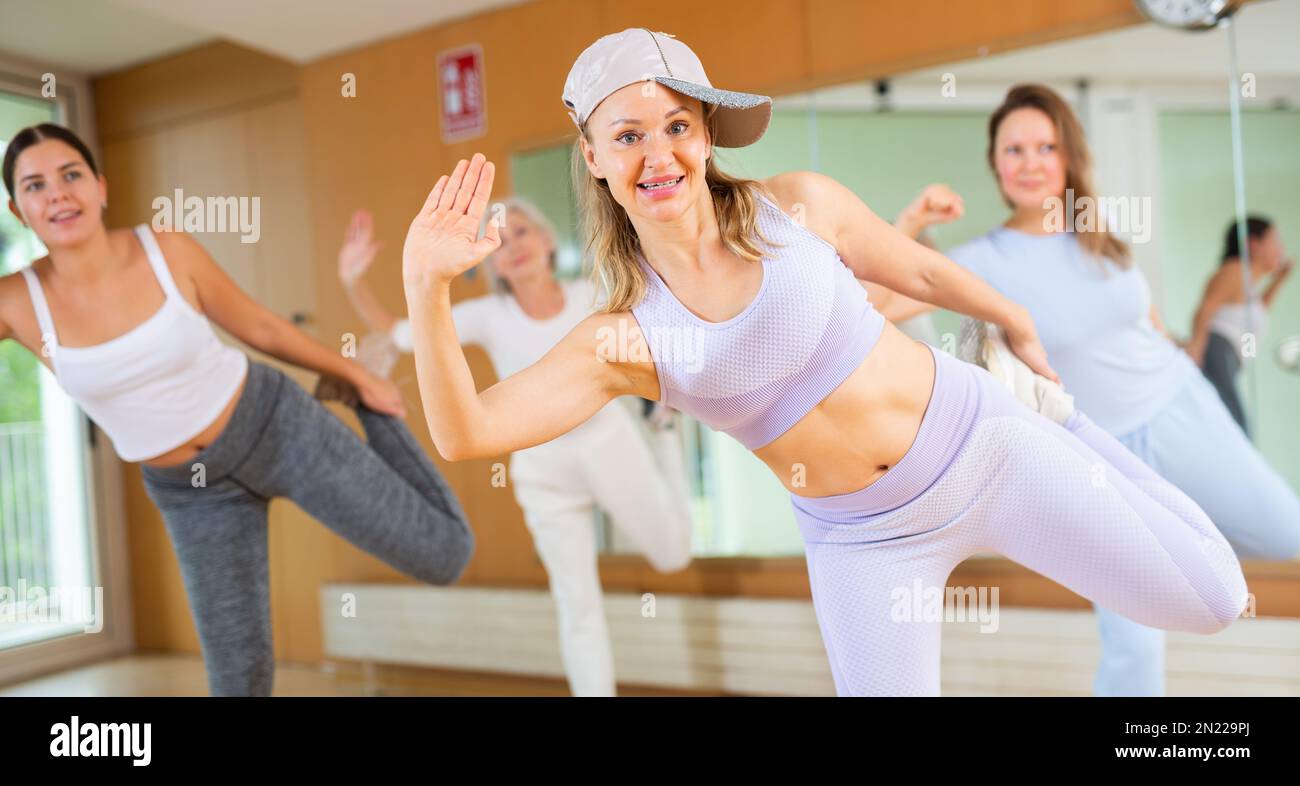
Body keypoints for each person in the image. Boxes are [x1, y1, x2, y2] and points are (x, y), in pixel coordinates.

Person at [397, 29, 1248, 696]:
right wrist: (426, 289)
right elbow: (468, 432)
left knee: (1209, 603)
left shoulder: (793, 206)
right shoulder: (623, 336)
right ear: (593, 157)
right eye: (628, 135)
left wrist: (1010, 315)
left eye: (678, 126)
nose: (659, 155)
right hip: (865, 541)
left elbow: (906, 265)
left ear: (705, 134)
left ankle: (1070, 425)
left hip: (987, 445)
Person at [0, 123, 474, 697]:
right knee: (239, 679)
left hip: (275, 424)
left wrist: (353, 374)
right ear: (17, 210)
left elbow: (258, 326)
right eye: (35, 185)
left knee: (443, 556)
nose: (57, 193)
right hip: (191, 492)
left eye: (70, 175)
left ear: (100, 187)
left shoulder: (165, 248)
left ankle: (370, 405)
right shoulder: (15, 301)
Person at [901, 84, 1300, 695]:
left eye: (1045, 146)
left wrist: (1191, 372)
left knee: (1288, 534)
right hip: (1098, 458)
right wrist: (914, 224)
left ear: (1067, 158)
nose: (1030, 162)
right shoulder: (978, 261)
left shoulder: (1099, 236)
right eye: (1014, 149)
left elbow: (1150, 323)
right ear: (995, 163)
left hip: (1180, 412)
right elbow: (881, 292)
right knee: (1134, 639)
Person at [336, 203, 694, 696]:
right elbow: (405, 332)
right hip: (541, 468)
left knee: (672, 556)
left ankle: (666, 435)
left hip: (609, 443)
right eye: (499, 243)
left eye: (521, 232)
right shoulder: (487, 315)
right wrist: (354, 281)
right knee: (577, 605)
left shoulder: (594, 294)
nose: (514, 246)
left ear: (548, 242)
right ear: (490, 265)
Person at [1187, 215, 1293, 433]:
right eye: (1275, 241)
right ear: (1253, 244)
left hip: (1226, 357)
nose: (1281, 249)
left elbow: (1256, 311)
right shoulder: (1234, 271)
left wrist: (1279, 280)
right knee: (1238, 425)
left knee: (1230, 423)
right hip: (1217, 350)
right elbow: (1205, 309)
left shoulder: (1247, 281)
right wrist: (1195, 350)